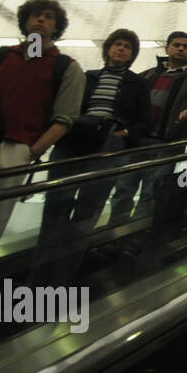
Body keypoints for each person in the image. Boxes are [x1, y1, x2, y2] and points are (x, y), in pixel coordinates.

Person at [33, 29, 153, 285]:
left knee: (86, 214)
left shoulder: (138, 84)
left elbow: (146, 123)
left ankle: (60, 281)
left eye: (127, 47)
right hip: (73, 140)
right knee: (55, 208)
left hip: (108, 144)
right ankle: (37, 278)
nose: (121, 49)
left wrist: (124, 133)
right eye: (117, 44)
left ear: (133, 55)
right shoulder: (87, 77)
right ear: (107, 48)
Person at [0, 0, 85, 275]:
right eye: (35, 15)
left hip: (16, 149)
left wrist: (31, 152)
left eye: (49, 17)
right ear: (25, 20)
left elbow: (65, 118)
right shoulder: (0, 56)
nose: (40, 20)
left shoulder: (66, 67)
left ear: (57, 26)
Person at [107, 31, 187, 228]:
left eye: (186, 46)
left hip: (167, 143)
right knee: (123, 189)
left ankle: (135, 239)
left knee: (151, 193)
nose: (181, 48)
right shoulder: (147, 75)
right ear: (167, 49)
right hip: (137, 141)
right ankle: (113, 234)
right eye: (176, 45)